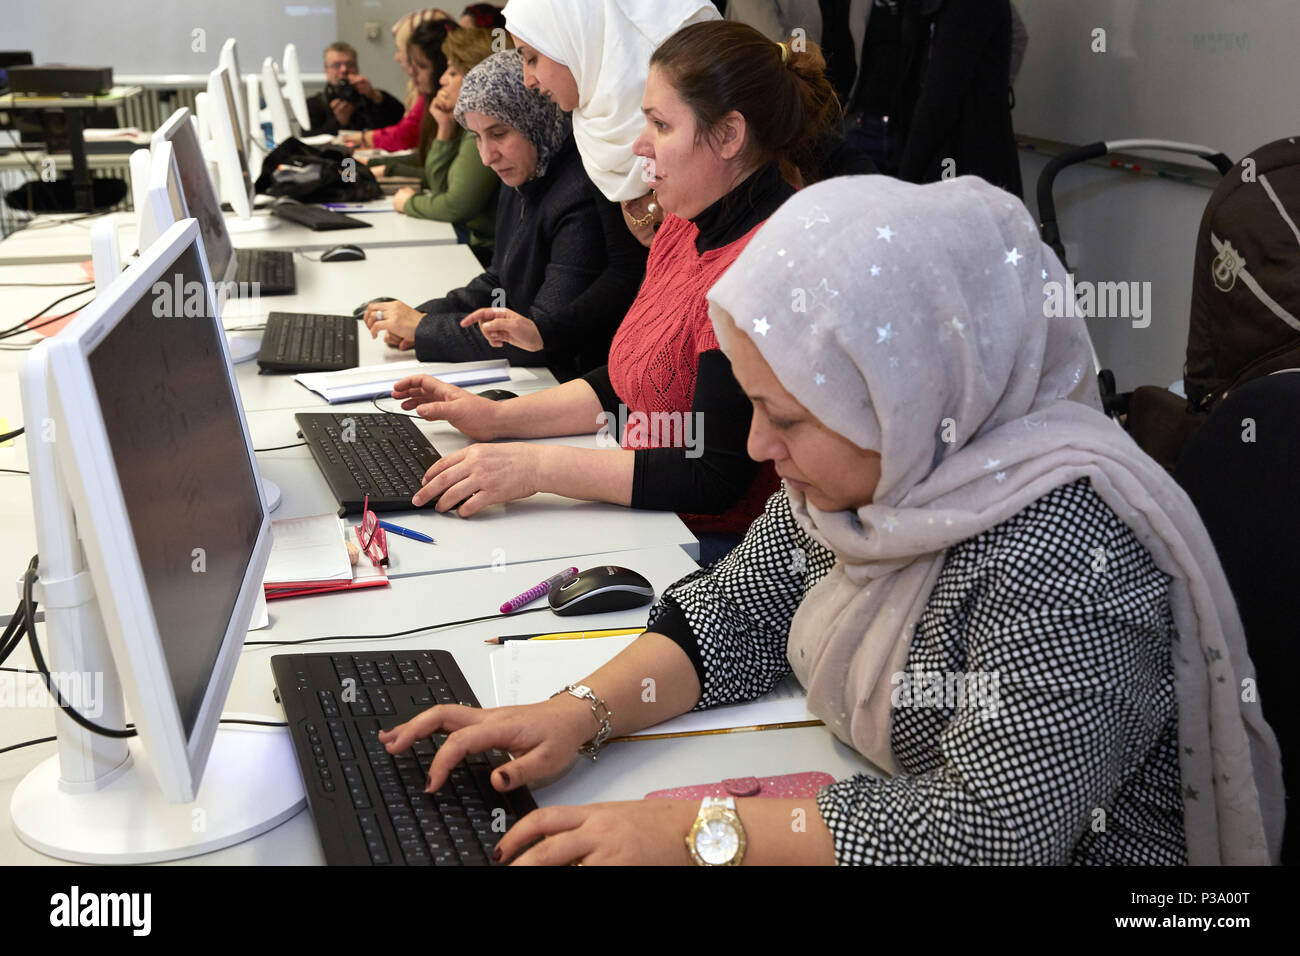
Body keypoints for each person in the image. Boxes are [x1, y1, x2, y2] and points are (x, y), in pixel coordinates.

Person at [378, 175, 1286, 866]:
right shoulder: (879, 477)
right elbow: (740, 609)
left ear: (914, 393)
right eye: (757, 407)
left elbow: (988, 834)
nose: (761, 445)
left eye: (792, 417)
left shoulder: (1066, 546)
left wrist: (693, 834)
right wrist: (575, 714)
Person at [387, 20, 842, 567]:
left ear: (728, 136)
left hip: (710, 547)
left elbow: (712, 476)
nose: (639, 143)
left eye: (660, 124)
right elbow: (631, 379)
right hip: (646, 503)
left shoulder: (762, 272)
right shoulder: (684, 224)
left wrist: (535, 469)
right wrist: (498, 419)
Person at [362, 50, 643, 382]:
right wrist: (423, 315)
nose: (486, 156)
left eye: (498, 134)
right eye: (477, 137)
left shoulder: (579, 193)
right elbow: (499, 280)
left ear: (536, 119)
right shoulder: (526, 170)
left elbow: (538, 337)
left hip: (568, 379)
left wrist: (424, 328)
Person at [505, 0, 720, 247]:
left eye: (532, 58)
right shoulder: (592, 124)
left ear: (576, 37)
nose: (527, 80)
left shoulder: (691, 89)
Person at [842, 0, 1022, 196]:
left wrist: (905, 180)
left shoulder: (968, 7)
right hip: (921, 147)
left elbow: (940, 100)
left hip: (964, 163)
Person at [382, 25, 501, 265]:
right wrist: (445, 129)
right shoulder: (467, 121)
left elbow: (455, 206)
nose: (442, 80)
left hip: (484, 251)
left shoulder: (484, 128)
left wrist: (409, 203)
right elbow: (441, 187)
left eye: (453, 72)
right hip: (474, 242)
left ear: (476, 77)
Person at [345, 12, 438, 152]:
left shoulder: (431, 90)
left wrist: (365, 138)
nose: (397, 57)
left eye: (400, 49)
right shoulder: (417, 87)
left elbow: (405, 135)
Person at [304, 42, 406, 137]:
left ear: (357, 68)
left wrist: (376, 97)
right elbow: (306, 140)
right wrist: (337, 122)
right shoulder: (314, 104)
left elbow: (402, 123)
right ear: (326, 71)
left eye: (350, 64)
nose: (344, 70)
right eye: (336, 65)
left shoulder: (371, 97)